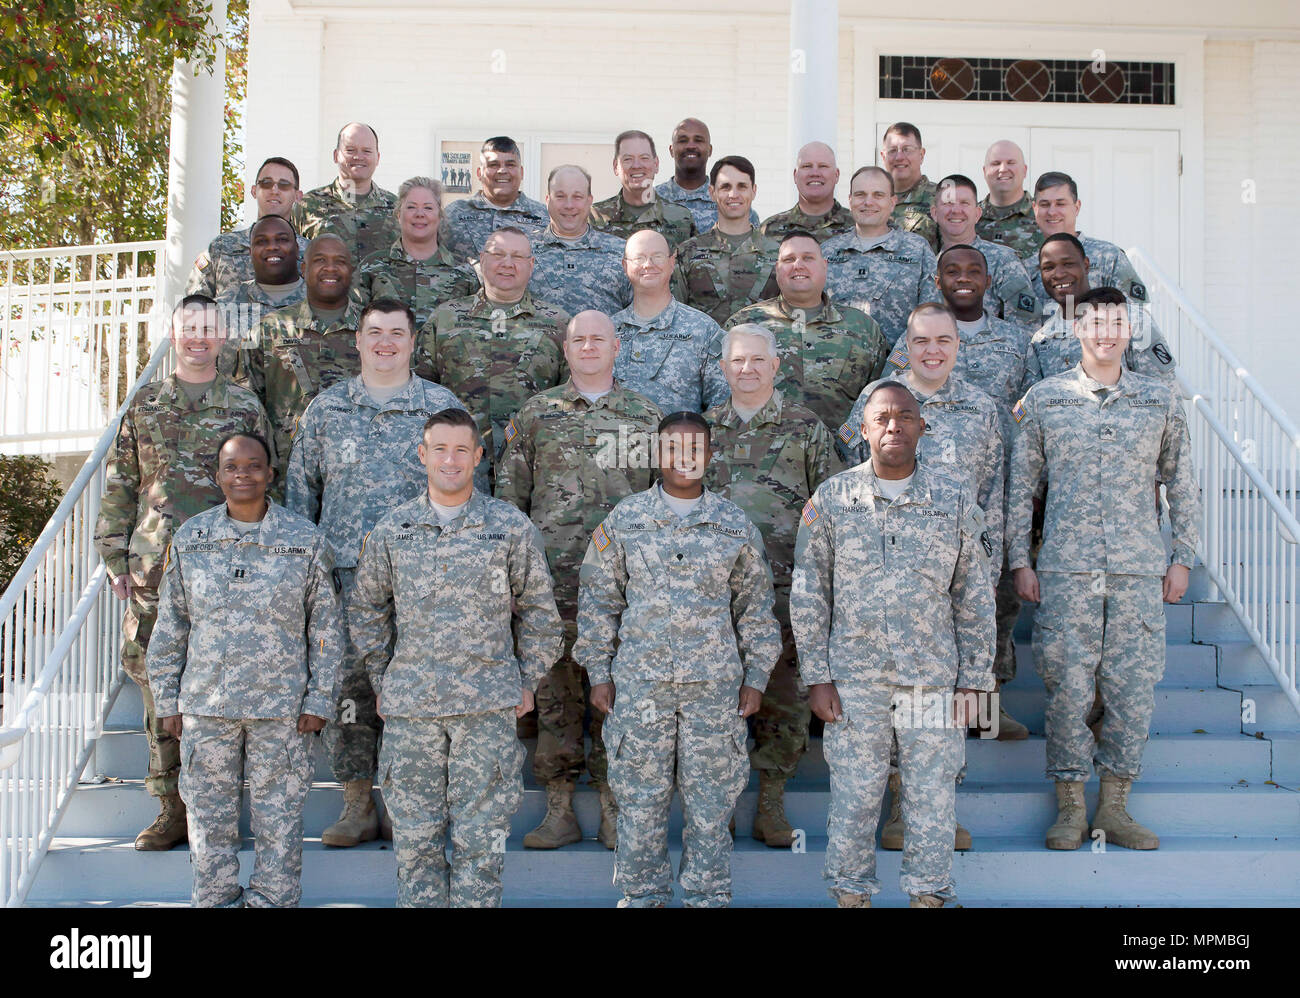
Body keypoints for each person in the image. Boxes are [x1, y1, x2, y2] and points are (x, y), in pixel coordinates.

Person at [1007, 287, 1200, 851]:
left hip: (1139, 572)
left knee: (1132, 691)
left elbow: (1181, 485)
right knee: (1066, 690)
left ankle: (1114, 806)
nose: (1107, 334)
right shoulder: (1044, 400)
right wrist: (1021, 559)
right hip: (1066, 572)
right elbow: (1023, 490)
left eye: (1118, 324)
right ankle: (1070, 808)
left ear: (1130, 331)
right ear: (1077, 329)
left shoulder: (1159, 400)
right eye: (1096, 324)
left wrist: (1181, 557)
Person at [792, 381, 995, 908]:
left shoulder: (952, 501)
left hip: (932, 679)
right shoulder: (833, 499)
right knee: (856, 799)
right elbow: (809, 592)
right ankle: (852, 897)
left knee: (931, 797)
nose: (893, 427)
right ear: (862, 430)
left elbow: (974, 597)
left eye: (905, 416)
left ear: (922, 427)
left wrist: (974, 680)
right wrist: (817, 676)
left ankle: (928, 897)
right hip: (855, 680)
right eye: (881, 418)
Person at [350, 408, 563, 906]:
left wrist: (527, 680)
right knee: (417, 841)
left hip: (487, 708)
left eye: (461, 450)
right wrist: (385, 680)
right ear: (422, 455)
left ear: (478, 457)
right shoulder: (392, 529)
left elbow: (540, 611)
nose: (450, 460)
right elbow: (365, 609)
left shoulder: (509, 527)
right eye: (439, 449)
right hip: (412, 710)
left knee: (481, 842)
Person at [576, 411, 781, 907]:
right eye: (672, 448)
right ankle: (642, 896)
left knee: (711, 807)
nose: (684, 457)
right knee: (640, 804)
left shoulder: (734, 525)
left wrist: (756, 675)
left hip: (715, 691)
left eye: (695, 447)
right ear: (656, 455)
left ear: (711, 455)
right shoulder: (625, 520)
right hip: (640, 688)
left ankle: (707, 898)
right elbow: (599, 600)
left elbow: (755, 606)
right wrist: (599, 672)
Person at [284, 298, 469, 848]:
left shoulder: (440, 407)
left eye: (396, 331)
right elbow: (301, 495)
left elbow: (466, 490)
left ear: (413, 342)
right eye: (374, 332)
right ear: (358, 341)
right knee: (349, 693)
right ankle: (358, 801)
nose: (385, 342)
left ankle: (406, 801)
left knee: (416, 690)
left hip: (422, 577)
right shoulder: (326, 409)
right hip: (343, 576)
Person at [94, 295, 272, 852]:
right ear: (173, 333)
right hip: (154, 570)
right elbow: (123, 483)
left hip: (228, 570)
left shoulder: (244, 406)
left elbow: (272, 483)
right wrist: (114, 555)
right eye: (190, 328)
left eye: (209, 330)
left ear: (223, 338)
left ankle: (217, 808)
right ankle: (170, 808)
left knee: (227, 689)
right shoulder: (145, 405)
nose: (199, 338)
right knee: (159, 693)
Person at [148, 432, 341, 907]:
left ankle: (273, 901)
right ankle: (214, 900)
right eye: (232, 467)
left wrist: (319, 700)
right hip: (207, 707)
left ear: (270, 474)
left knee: (279, 818)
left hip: (283, 710)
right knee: (209, 819)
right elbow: (171, 624)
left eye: (254, 466)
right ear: (218, 476)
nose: (243, 475)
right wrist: (168, 700)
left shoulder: (304, 540)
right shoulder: (192, 538)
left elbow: (326, 629)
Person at [496, 310, 663, 851]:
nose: (588, 346)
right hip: (552, 581)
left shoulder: (645, 416)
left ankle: (616, 807)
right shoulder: (536, 415)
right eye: (578, 339)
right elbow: (510, 502)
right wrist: (512, 578)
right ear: (565, 350)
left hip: (627, 587)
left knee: (620, 693)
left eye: (599, 339)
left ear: (618, 347)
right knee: (556, 693)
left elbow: (669, 497)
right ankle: (560, 807)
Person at [840, 306, 1009, 835]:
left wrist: (989, 564)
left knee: (951, 697)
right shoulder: (877, 399)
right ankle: (896, 809)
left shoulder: (982, 408)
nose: (932, 350)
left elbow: (993, 492)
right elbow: (848, 478)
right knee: (886, 700)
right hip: (879, 576)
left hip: (949, 583)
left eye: (943, 340)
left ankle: (938, 811)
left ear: (958, 345)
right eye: (920, 341)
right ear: (904, 345)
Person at [703, 324, 841, 846]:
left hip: (785, 586)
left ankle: (771, 802)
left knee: (783, 696)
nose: (747, 369)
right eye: (737, 360)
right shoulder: (703, 429)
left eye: (758, 360)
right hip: (712, 592)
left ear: (776, 366)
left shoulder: (805, 428)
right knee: (716, 698)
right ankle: (719, 804)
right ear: (722, 367)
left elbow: (827, 507)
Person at [418, 226, 569, 484]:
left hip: (533, 469)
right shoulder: (445, 318)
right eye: (498, 254)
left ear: (531, 264)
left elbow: (571, 398)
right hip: (457, 470)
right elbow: (421, 392)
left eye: (517, 256)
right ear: (483, 259)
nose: (507, 264)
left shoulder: (558, 324)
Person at [726, 232, 887, 437]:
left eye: (808, 258)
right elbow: (722, 396)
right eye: (789, 259)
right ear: (777, 269)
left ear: (825, 265)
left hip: (840, 458)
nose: (798, 265)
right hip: (762, 456)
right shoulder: (744, 324)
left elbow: (878, 399)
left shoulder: (863, 328)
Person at [241, 233, 364, 485]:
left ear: (351, 271)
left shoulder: (374, 330)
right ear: (304, 269)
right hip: (286, 477)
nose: (330, 268)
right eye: (320, 260)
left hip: (357, 479)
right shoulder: (269, 330)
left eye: (340, 261)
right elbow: (246, 406)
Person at [1027, 234, 1176, 385]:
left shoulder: (1131, 320)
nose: (1058, 274)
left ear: (1086, 265)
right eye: (1048, 267)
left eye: (1068, 264)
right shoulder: (1042, 339)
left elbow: (1164, 392)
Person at [611, 229, 729, 413]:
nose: (648, 265)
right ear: (625, 266)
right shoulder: (606, 331)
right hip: (614, 440)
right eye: (639, 258)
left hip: (678, 441)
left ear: (672, 262)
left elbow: (722, 406)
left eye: (657, 256)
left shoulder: (703, 329)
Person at [823, 165, 936, 349]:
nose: (868, 202)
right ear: (850, 201)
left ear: (892, 202)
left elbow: (930, 319)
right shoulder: (828, 251)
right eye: (860, 195)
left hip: (895, 369)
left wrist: (895, 368)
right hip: (835, 368)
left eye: (878, 195)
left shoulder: (917, 250)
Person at [358, 176, 479, 331]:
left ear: (440, 216)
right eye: (411, 207)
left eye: (428, 208)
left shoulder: (464, 273)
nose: (420, 214)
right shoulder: (372, 267)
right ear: (398, 215)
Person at [672, 155, 780, 326]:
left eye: (742, 186)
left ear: (754, 191)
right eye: (725, 187)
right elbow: (676, 313)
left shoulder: (778, 254)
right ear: (712, 193)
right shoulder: (688, 252)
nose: (733, 194)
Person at [186, 156, 308, 299]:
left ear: (298, 196)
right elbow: (194, 304)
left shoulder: (311, 254)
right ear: (254, 191)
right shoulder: (221, 248)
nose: (274, 190)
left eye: (284, 185)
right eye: (266, 183)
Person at [930, 174, 1038, 326]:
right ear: (934, 213)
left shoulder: (1003, 260)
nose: (956, 210)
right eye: (948, 203)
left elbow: (1027, 324)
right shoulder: (926, 264)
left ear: (977, 214)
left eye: (964, 203)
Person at [1028, 171, 1148, 307]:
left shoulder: (1108, 257)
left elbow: (1139, 313)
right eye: (1044, 204)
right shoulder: (1025, 264)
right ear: (1034, 209)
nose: (1052, 212)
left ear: (1077, 207)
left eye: (1060, 204)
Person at [528, 164, 633, 316]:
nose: (569, 205)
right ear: (547, 200)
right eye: (560, 196)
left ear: (589, 201)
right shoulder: (524, 250)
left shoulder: (621, 251)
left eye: (577, 197)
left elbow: (638, 315)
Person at [293, 122, 398, 273]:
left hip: (381, 296)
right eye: (350, 150)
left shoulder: (397, 208)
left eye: (367, 151)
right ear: (336, 155)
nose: (358, 157)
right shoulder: (307, 206)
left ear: (378, 158)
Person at [214, 214, 307, 374]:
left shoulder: (322, 303)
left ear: (297, 249)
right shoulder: (221, 308)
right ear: (251, 252)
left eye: (282, 239)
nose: (272, 247)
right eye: (261, 241)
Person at [441, 136, 549, 262]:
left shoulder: (544, 217)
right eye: (493, 165)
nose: (502, 170)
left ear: (521, 172)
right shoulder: (454, 214)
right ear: (479, 173)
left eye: (510, 164)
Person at [590, 130, 697, 250]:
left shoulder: (681, 218)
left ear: (656, 164)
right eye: (628, 159)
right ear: (616, 167)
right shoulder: (594, 217)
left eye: (644, 158)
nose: (636, 165)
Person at [653, 117, 759, 232]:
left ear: (710, 150)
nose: (691, 146)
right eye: (683, 140)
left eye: (698, 140)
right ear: (671, 150)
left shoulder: (730, 203)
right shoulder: (653, 201)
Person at [758, 142, 853, 244]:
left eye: (823, 166)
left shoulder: (856, 226)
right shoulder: (769, 230)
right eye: (807, 166)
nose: (815, 173)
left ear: (836, 175)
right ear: (795, 175)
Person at [976, 140, 1041, 261]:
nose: (1003, 169)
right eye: (996, 163)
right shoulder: (970, 217)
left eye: (1011, 163)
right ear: (984, 171)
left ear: (1024, 170)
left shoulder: (1044, 215)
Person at [881, 123, 938, 251]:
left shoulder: (941, 198)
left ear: (921, 155)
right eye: (892, 150)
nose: (899, 157)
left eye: (907, 149)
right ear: (883, 156)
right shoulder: (873, 200)